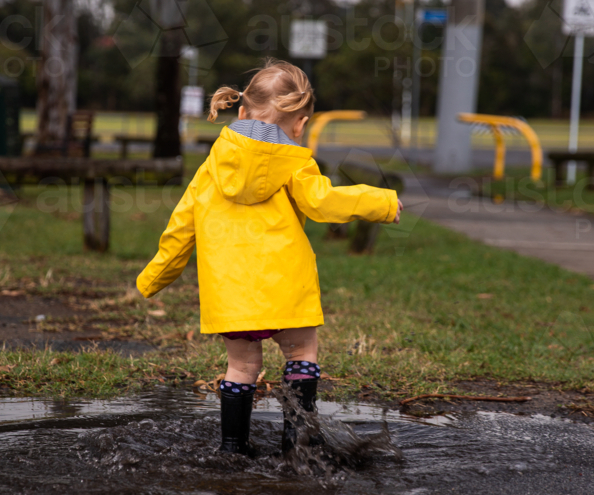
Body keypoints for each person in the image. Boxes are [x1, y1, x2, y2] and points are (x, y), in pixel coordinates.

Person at [137, 58, 402, 456]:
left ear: (242, 112)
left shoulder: (210, 168)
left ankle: (232, 448)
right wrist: (380, 202)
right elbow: (324, 202)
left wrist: (152, 278)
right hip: (286, 288)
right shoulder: (296, 164)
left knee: (241, 367)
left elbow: (180, 228)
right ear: (301, 124)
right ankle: (298, 445)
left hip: (232, 294)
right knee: (300, 353)